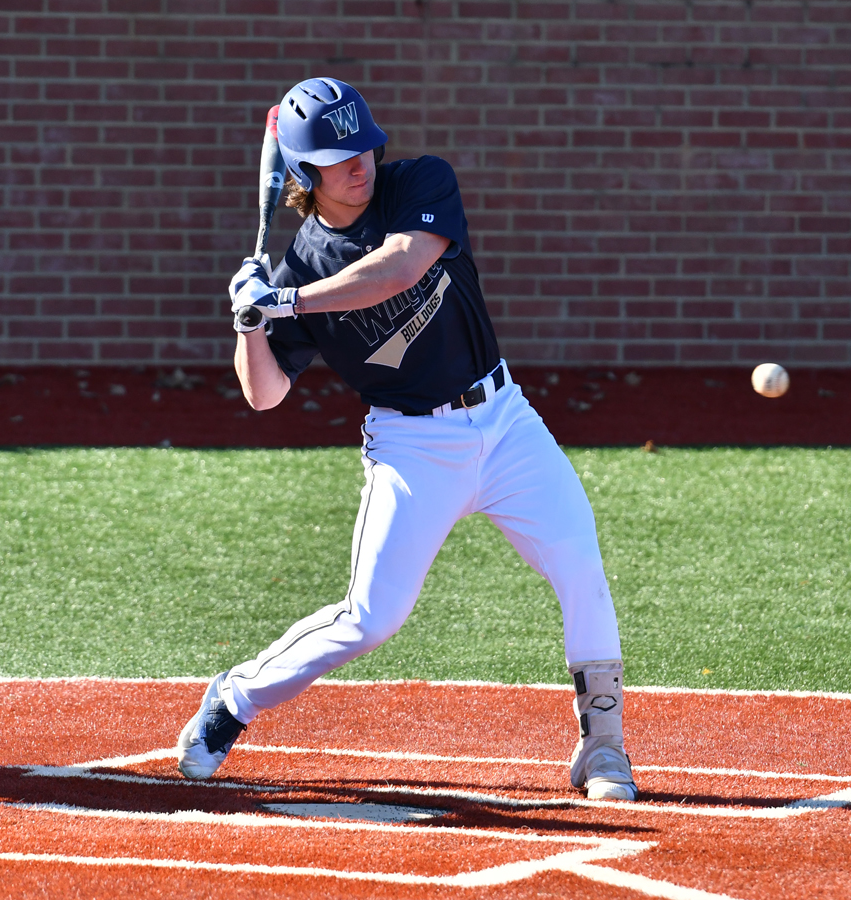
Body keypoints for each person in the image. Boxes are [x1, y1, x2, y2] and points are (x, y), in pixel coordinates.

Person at [177, 78, 637, 800]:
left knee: (579, 559)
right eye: (337, 154)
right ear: (302, 173)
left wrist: (287, 299)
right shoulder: (296, 264)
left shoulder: (420, 183)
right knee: (371, 618)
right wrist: (249, 319)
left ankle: (603, 746)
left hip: (504, 418)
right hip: (413, 447)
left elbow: (400, 266)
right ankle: (233, 700)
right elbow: (265, 395)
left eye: (363, 142)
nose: (359, 161)